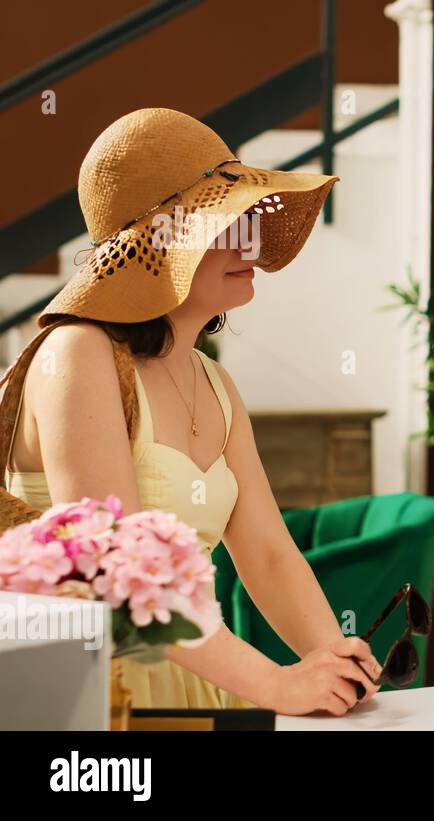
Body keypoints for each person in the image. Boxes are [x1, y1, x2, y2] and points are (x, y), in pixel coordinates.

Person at [0, 108, 384, 715]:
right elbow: (115, 570)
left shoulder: (215, 380)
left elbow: (266, 552)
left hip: (203, 684)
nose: (249, 240)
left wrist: (333, 662)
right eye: (223, 222)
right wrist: (279, 684)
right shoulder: (80, 354)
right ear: (157, 247)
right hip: (94, 692)